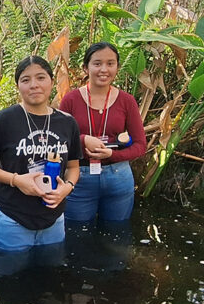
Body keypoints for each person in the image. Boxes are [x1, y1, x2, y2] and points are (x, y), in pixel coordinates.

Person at [0, 55, 81, 259]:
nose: (34, 85)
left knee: (51, 275)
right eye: (25, 80)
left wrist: (66, 189)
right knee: (12, 277)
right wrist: (16, 180)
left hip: (54, 216)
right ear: (18, 86)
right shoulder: (4, 120)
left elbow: (73, 167)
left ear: (52, 81)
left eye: (41, 78)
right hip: (13, 217)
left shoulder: (67, 123)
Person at [58, 42, 147, 223]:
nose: (104, 69)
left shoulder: (127, 101)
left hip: (118, 176)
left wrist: (112, 154)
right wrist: (83, 140)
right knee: (77, 234)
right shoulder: (71, 100)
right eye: (97, 63)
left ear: (117, 67)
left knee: (116, 234)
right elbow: (59, 140)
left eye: (110, 63)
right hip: (78, 176)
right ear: (85, 67)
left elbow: (140, 145)